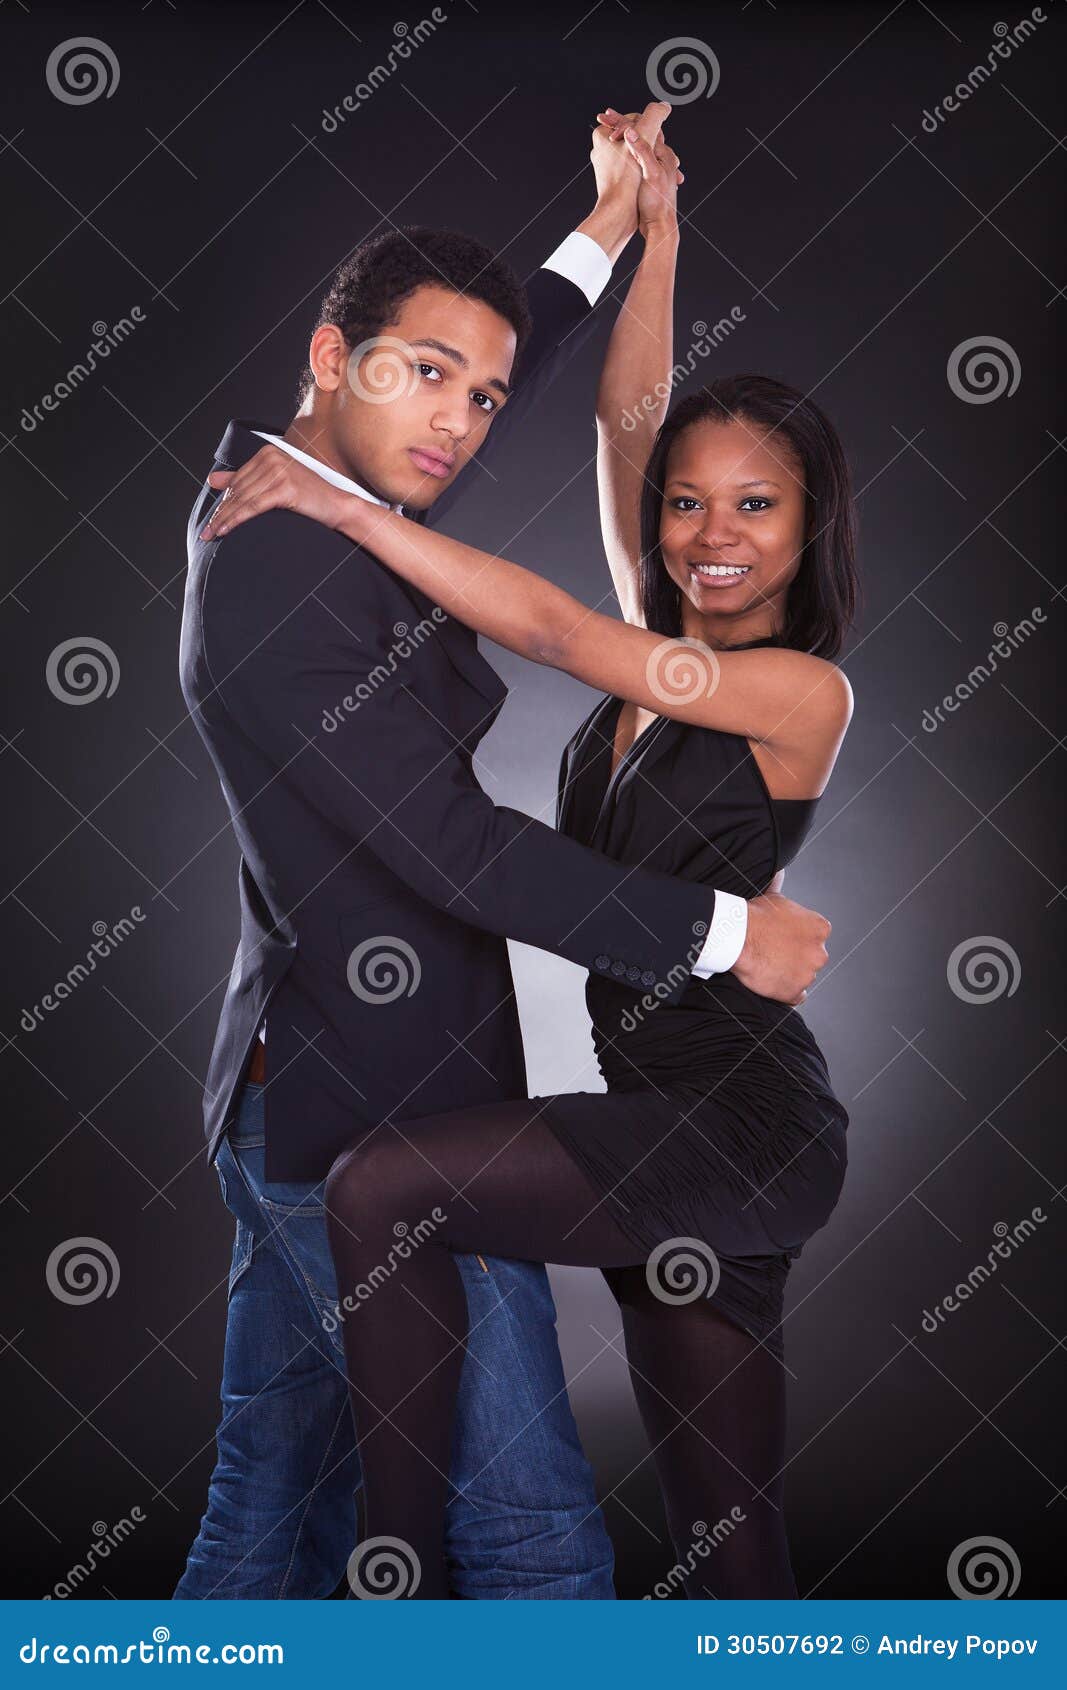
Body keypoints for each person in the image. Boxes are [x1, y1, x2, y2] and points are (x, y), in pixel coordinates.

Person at [178, 106, 831, 1601]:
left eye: (481, 398)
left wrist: (614, 224)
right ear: (331, 361)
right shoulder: (291, 561)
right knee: (531, 1534)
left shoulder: (330, 488)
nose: (461, 423)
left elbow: (513, 375)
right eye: (428, 380)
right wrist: (733, 933)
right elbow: (464, 852)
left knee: (266, 1513)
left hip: (301, 1092)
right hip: (374, 1106)